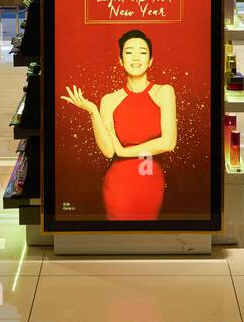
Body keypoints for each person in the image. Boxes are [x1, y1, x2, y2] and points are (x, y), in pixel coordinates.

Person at [60, 29, 177, 221]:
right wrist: (93, 111)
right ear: (121, 60)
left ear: (151, 60)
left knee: (146, 239)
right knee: (118, 240)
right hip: (118, 184)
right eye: (129, 52)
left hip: (151, 180)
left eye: (143, 52)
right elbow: (108, 151)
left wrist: (124, 151)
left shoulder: (164, 92)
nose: (136, 58)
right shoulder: (109, 100)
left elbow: (168, 142)